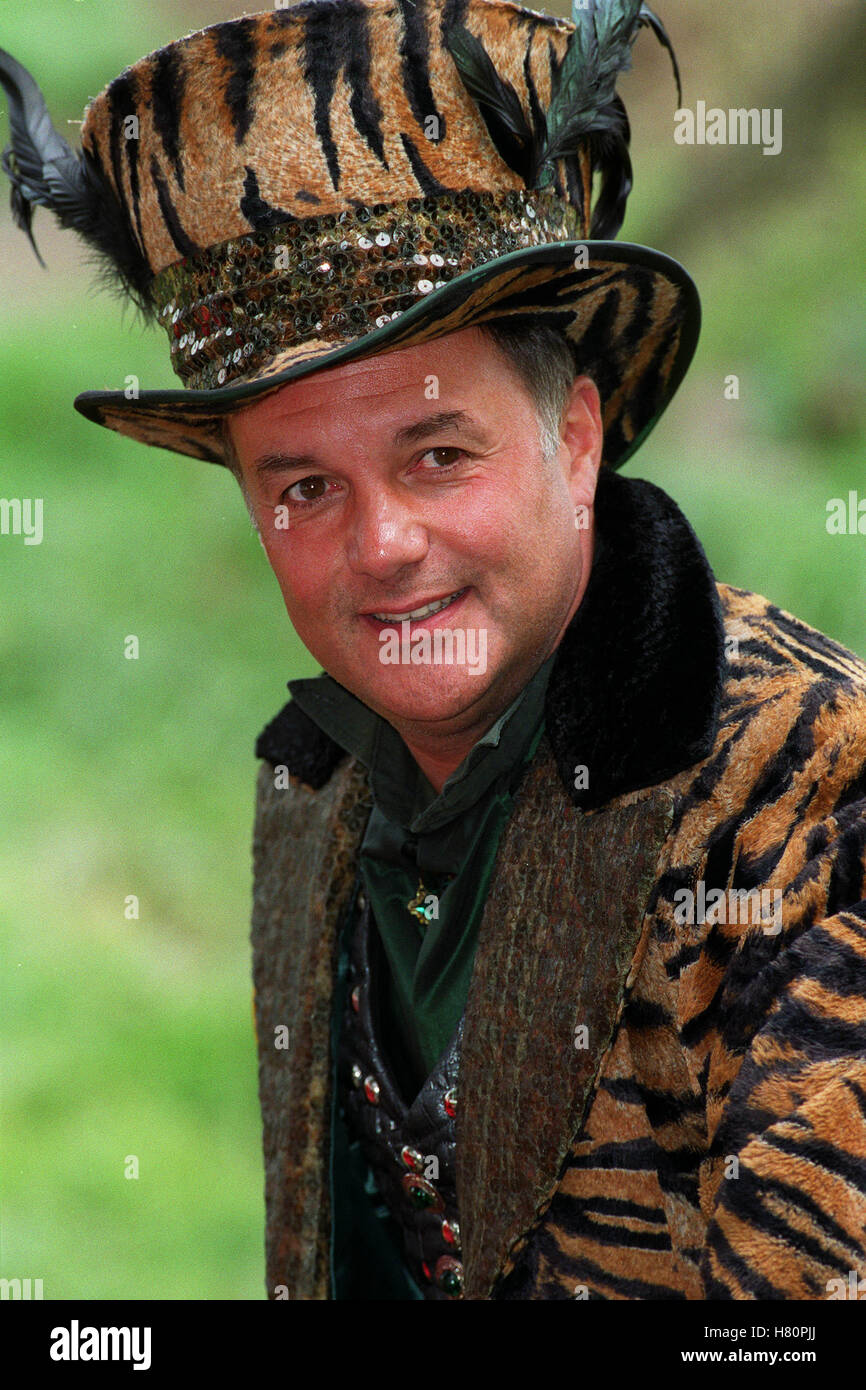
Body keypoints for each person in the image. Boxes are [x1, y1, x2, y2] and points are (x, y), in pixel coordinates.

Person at [3, 0, 864, 1302]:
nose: (382, 546)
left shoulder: (816, 796)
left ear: (573, 442)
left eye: (437, 454)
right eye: (302, 489)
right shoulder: (319, 777)